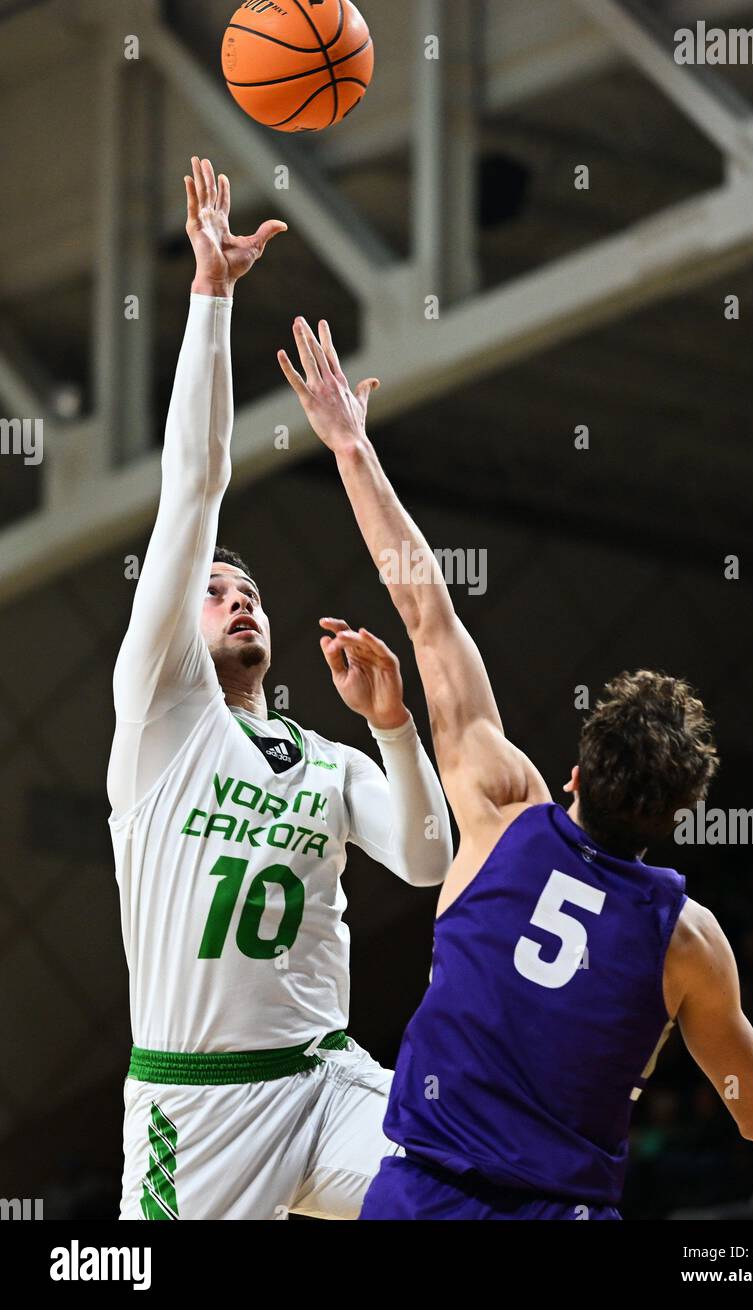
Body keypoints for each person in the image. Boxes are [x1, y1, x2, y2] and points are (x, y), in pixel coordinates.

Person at [277, 313, 753, 1221]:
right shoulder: (687, 941)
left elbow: (424, 608)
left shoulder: (500, 808)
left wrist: (350, 446)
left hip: (420, 1197)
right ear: (670, 824)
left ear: (573, 774)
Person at [109, 158, 452, 1221]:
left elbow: (427, 857)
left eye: (246, 588)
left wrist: (393, 728)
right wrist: (211, 297)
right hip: (195, 1110)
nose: (232, 597)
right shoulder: (161, 714)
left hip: (324, 1078)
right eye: (213, 589)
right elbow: (193, 486)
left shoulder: (326, 758)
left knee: (476, 1191)